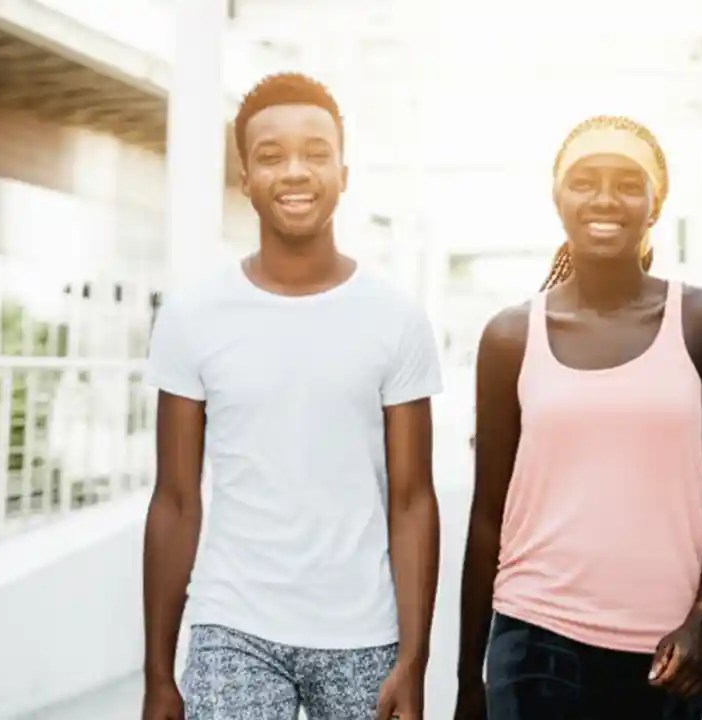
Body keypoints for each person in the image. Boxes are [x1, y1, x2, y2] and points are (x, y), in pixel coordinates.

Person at [140, 72, 442, 720]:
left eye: (316, 152)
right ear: (245, 178)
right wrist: (159, 675)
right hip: (234, 627)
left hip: (363, 630)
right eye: (271, 156)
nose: (295, 171)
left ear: (344, 170)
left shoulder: (395, 318)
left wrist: (413, 661)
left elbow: (414, 498)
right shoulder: (193, 317)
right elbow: (175, 498)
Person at [453, 115, 702, 719]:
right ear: (558, 199)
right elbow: (488, 515)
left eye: (627, 183)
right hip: (534, 639)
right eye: (585, 181)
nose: (605, 199)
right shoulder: (511, 335)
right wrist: (469, 682)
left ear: (654, 205)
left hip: (667, 656)